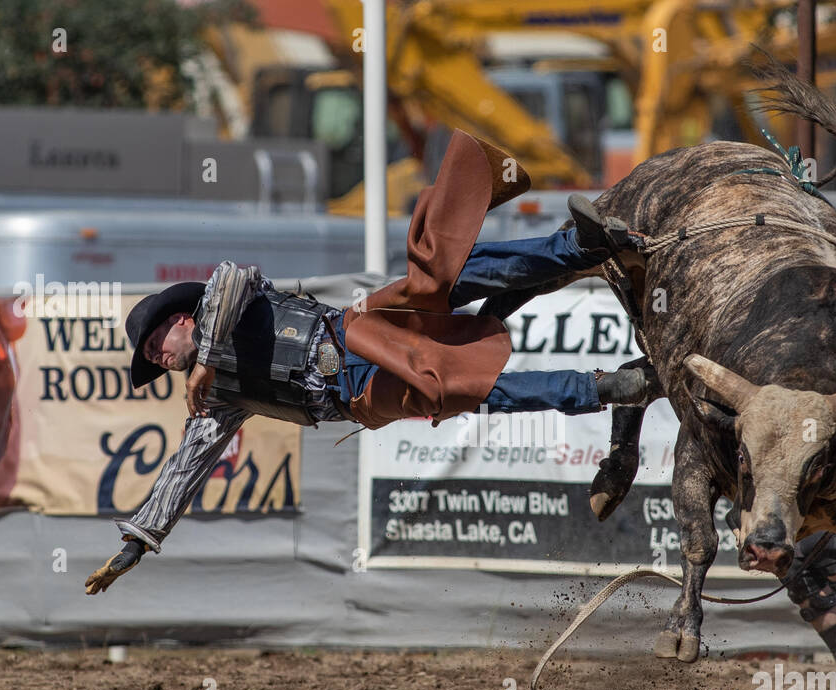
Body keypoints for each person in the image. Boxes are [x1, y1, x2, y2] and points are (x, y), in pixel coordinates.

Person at [85, 132, 655, 594]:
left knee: (446, 276)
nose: (159, 356)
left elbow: (233, 275)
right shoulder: (214, 402)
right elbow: (184, 469)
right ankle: (605, 388)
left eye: (158, 339)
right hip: (357, 394)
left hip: (355, 326)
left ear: (182, 318)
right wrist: (135, 544)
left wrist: (208, 358)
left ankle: (583, 248)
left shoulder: (223, 301)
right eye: (153, 357)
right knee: (465, 390)